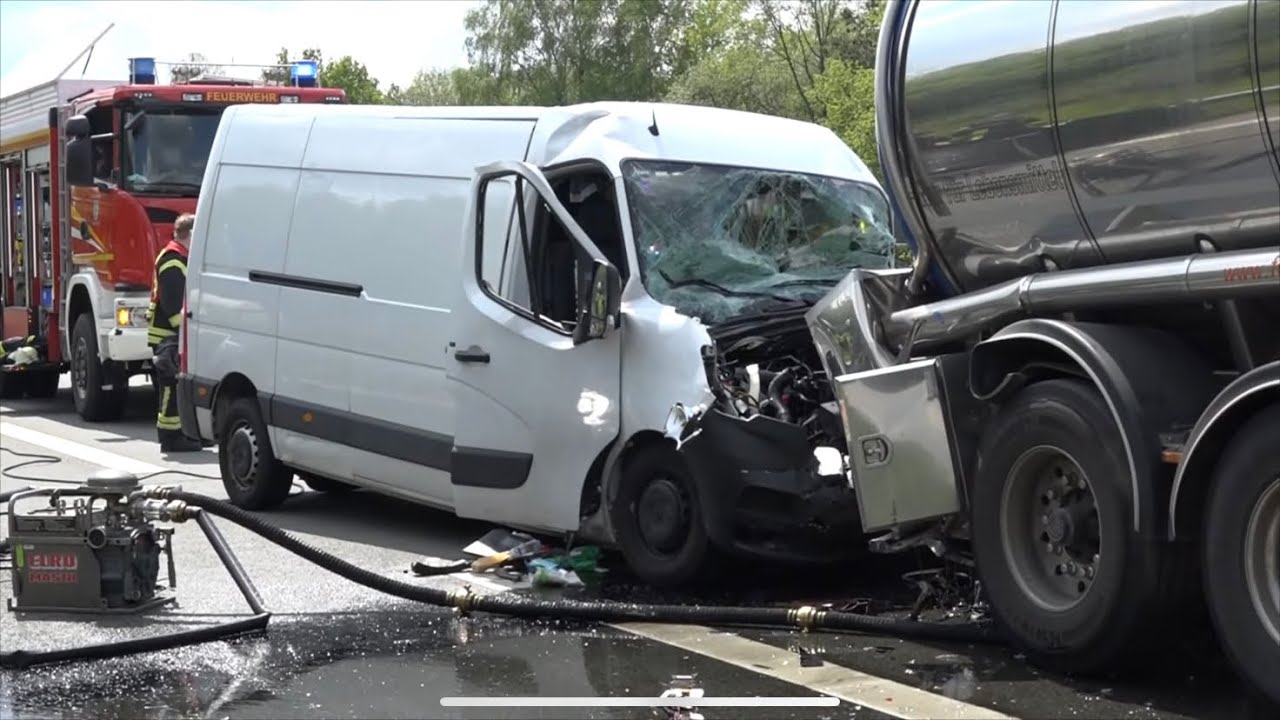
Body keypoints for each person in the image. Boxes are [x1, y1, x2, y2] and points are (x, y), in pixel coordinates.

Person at [147, 213, 202, 452]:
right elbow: (172, 305)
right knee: (170, 387)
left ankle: (181, 434)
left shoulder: (179, 257)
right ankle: (170, 438)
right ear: (189, 235)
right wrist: (187, 331)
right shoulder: (173, 260)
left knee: (174, 387)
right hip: (167, 336)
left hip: (171, 335)